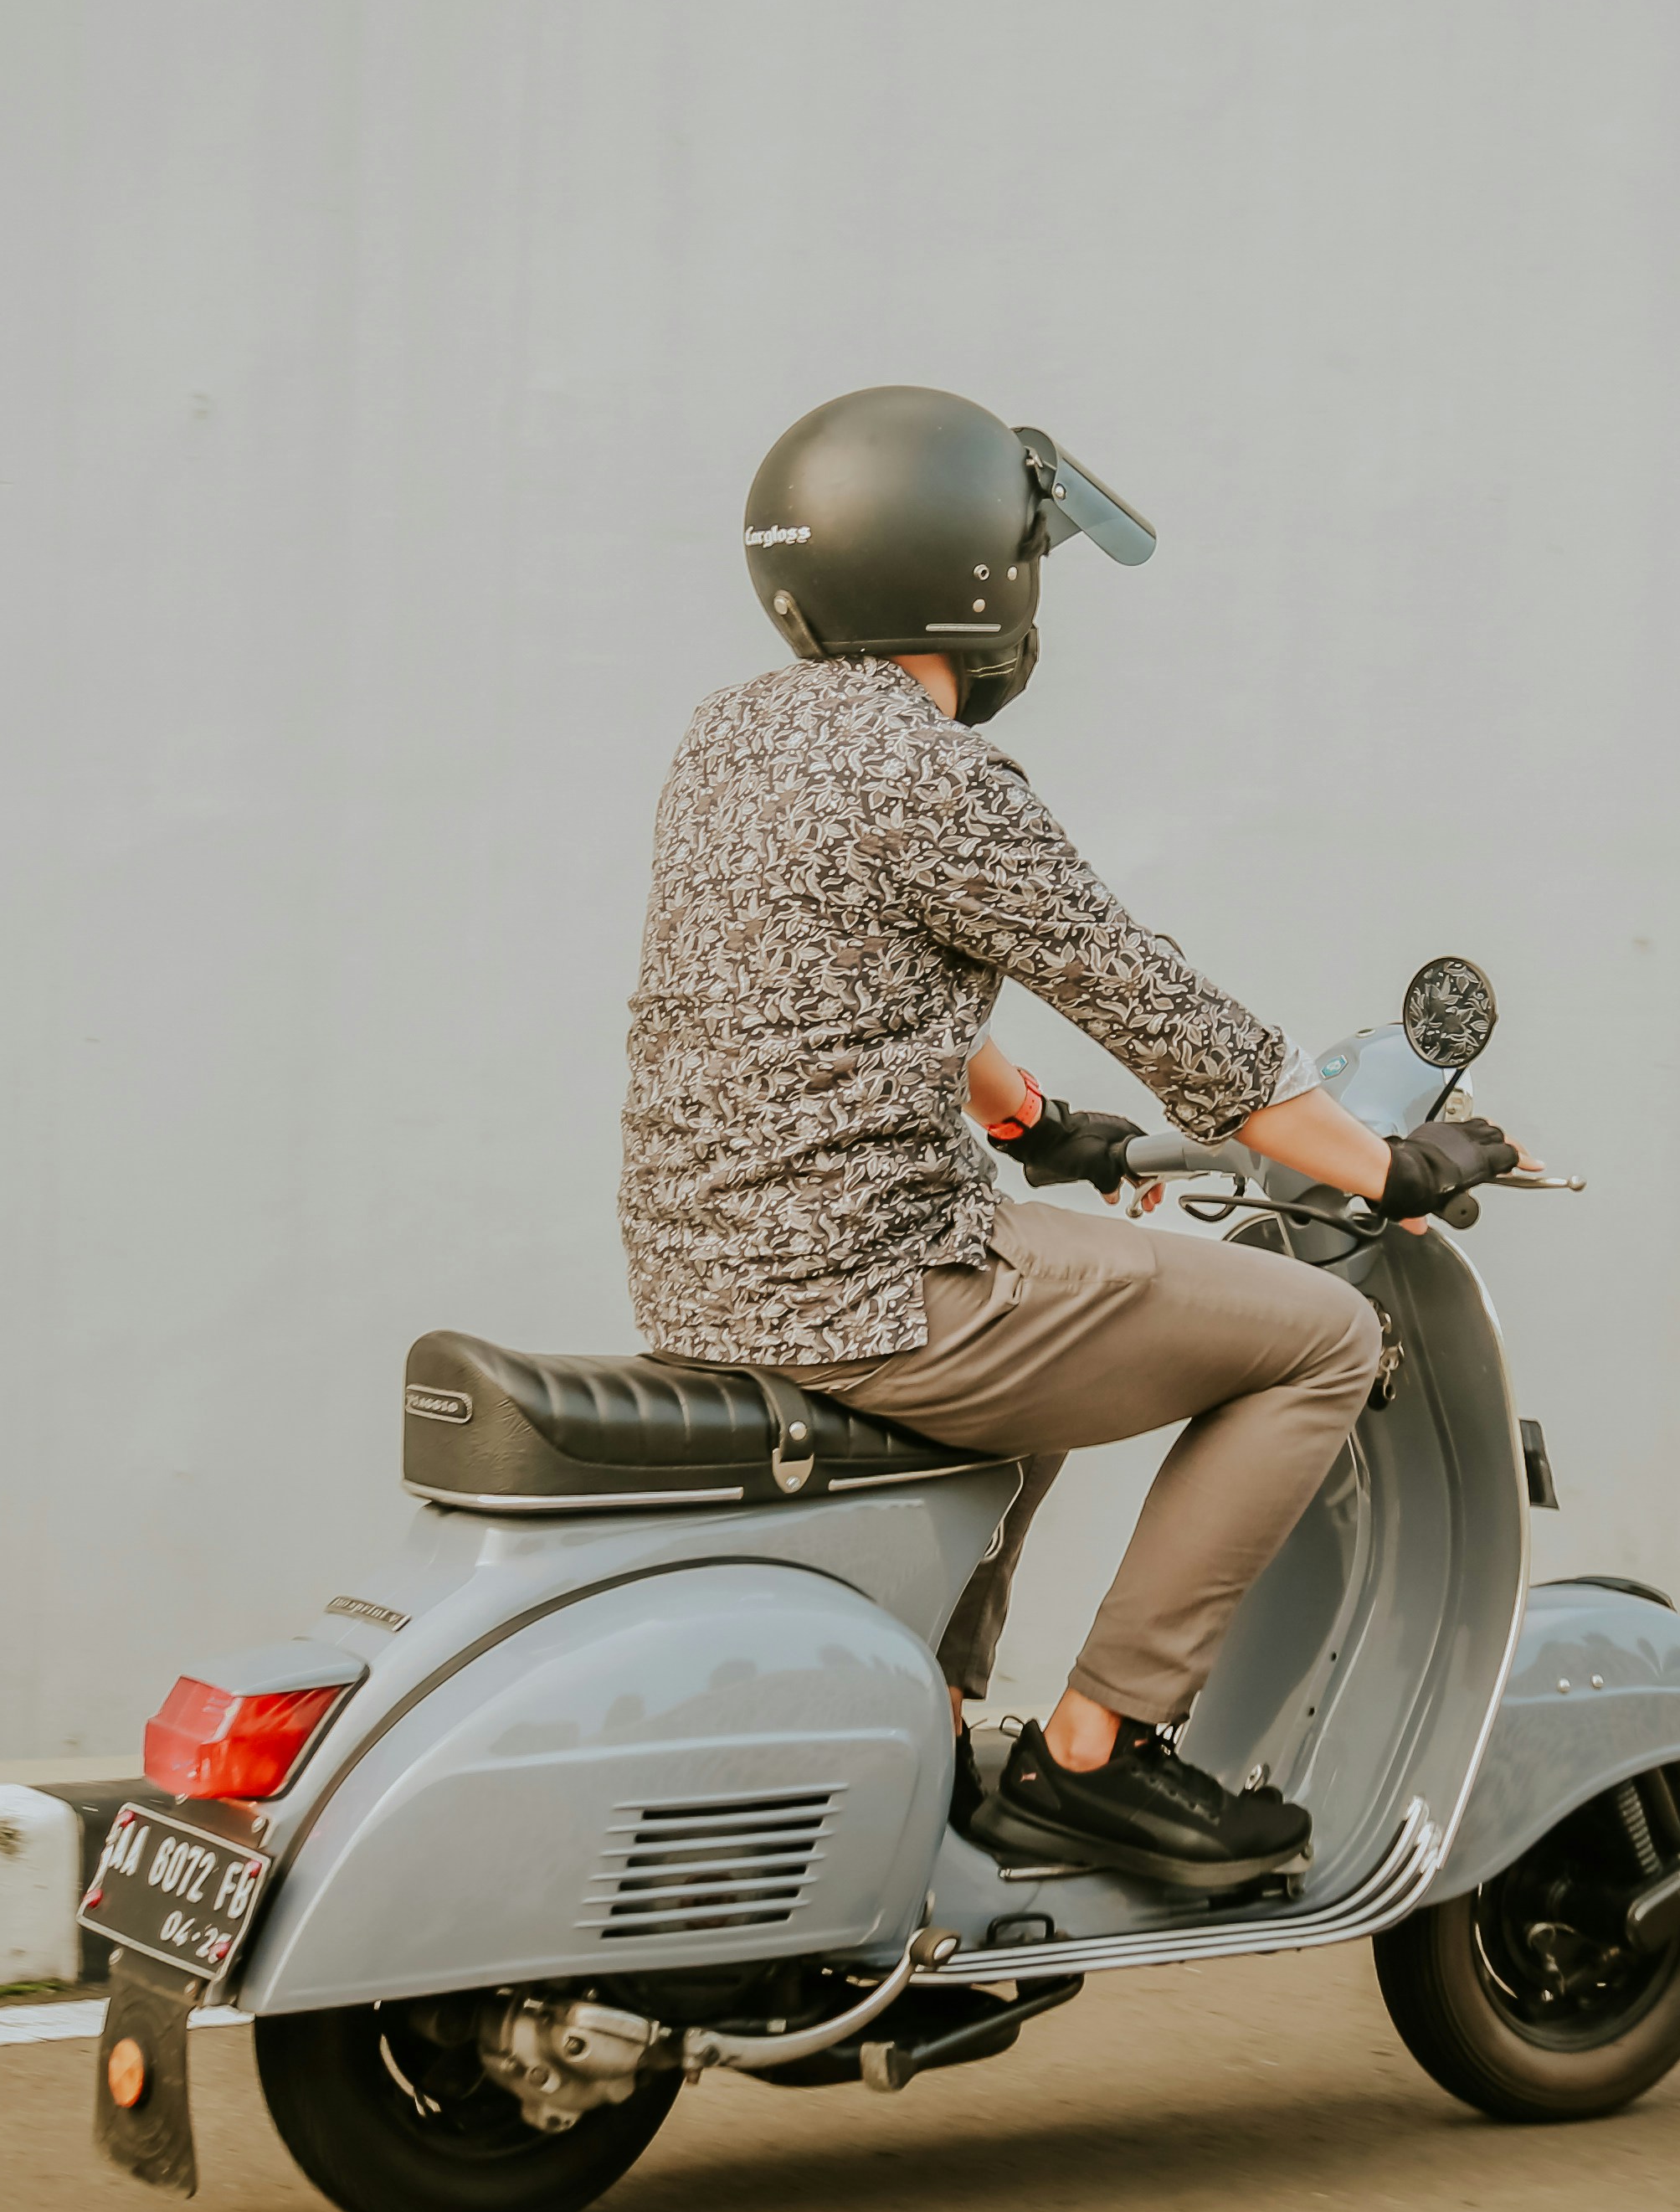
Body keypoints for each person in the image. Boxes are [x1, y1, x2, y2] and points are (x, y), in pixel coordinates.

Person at [617, 386, 1524, 1885]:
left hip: (711, 1278)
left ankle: (941, 1707)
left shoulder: (731, 743)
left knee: (1062, 1320)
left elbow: (824, 979)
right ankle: (1100, 1750)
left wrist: (1034, 1123)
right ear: (977, 580)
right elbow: (1158, 1007)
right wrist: (1390, 1164)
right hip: (875, 1288)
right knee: (1319, 1341)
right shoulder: (935, 773)